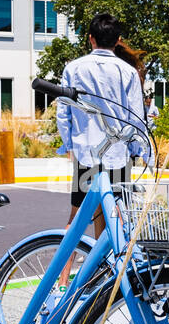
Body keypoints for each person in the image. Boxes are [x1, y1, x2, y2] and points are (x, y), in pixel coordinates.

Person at [58, 13, 148, 238]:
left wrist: (69, 146)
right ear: (118, 40)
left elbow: (63, 113)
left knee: (76, 220)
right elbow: (136, 117)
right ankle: (109, 271)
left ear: (91, 38)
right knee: (114, 217)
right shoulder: (127, 72)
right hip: (117, 154)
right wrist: (137, 151)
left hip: (85, 152)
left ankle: (62, 274)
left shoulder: (73, 68)